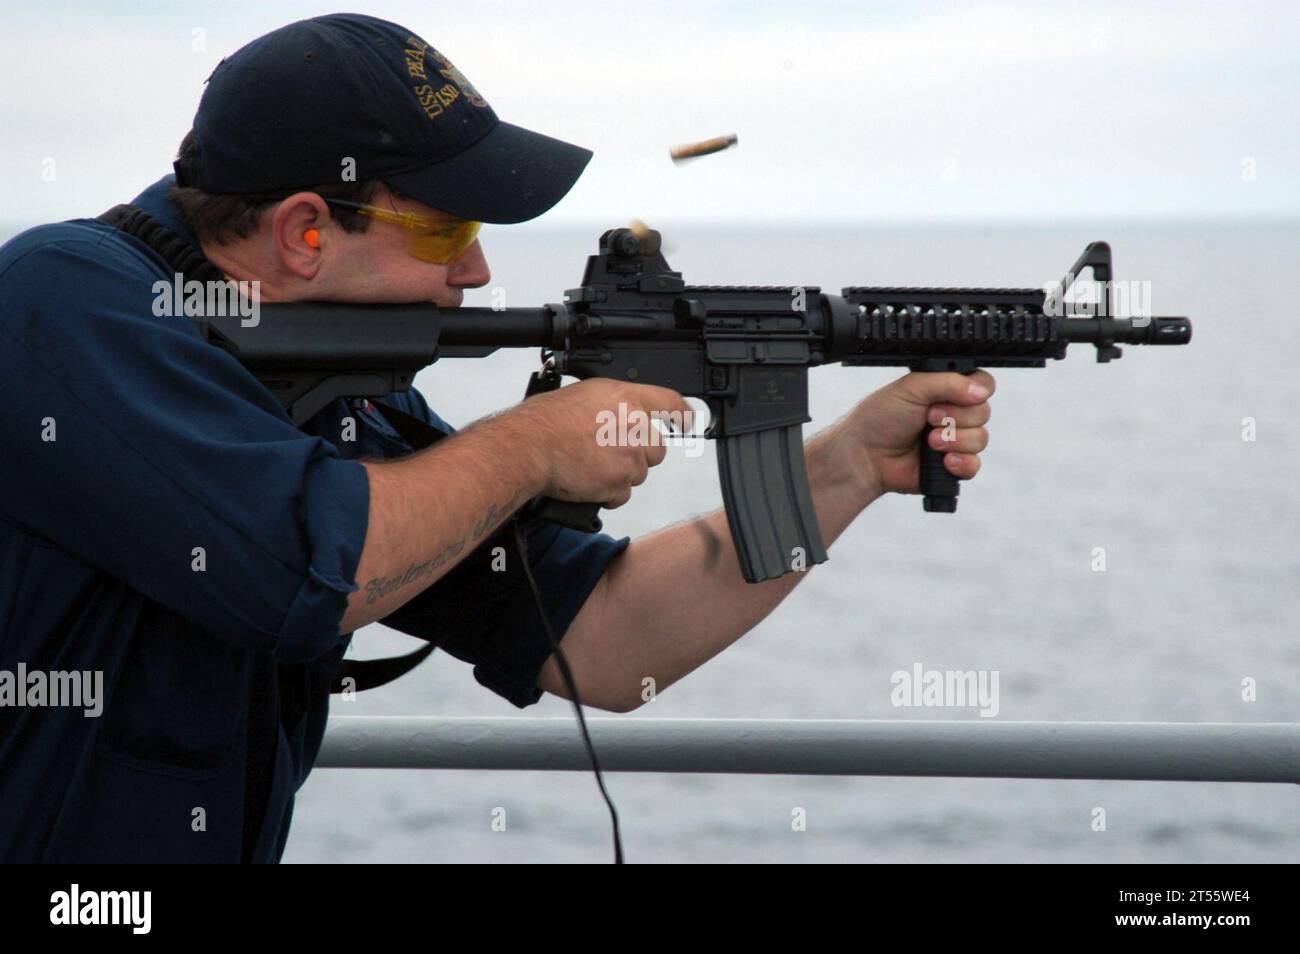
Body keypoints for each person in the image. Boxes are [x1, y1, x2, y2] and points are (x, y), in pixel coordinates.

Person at [0, 13, 994, 862]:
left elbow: (598, 646)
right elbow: (306, 572)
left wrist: (844, 470)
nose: (474, 273)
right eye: (444, 234)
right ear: (306, 230)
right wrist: (529, 447)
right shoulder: (60, 300)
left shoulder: (335, 402)